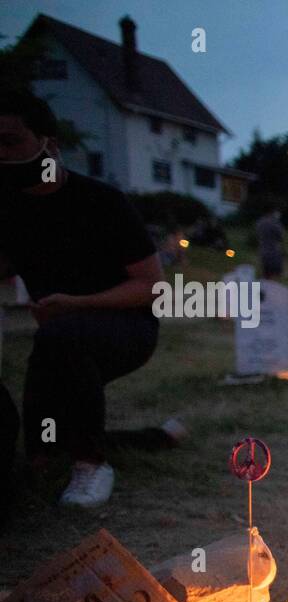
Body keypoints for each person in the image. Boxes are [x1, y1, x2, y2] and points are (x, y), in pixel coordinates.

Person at [0, 90, 184, 508]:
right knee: (45, 433)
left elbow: (151, 286)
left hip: (127, 326)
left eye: (11, 142)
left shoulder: (102, 203)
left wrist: (76, 304)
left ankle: (91, 463)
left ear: (49, 144)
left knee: (62, 339)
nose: (2, 155)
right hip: (56, 330)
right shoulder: (8, 208)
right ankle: (138, 439)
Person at [255, 208, 284, 278]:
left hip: (263, 247)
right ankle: (273, 278)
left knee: (265, 266)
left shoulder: (260, 221)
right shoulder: (275, 223)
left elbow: (257, 233)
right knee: (274, 266)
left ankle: (265, 277)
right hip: (273, 248)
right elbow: (280, 236)